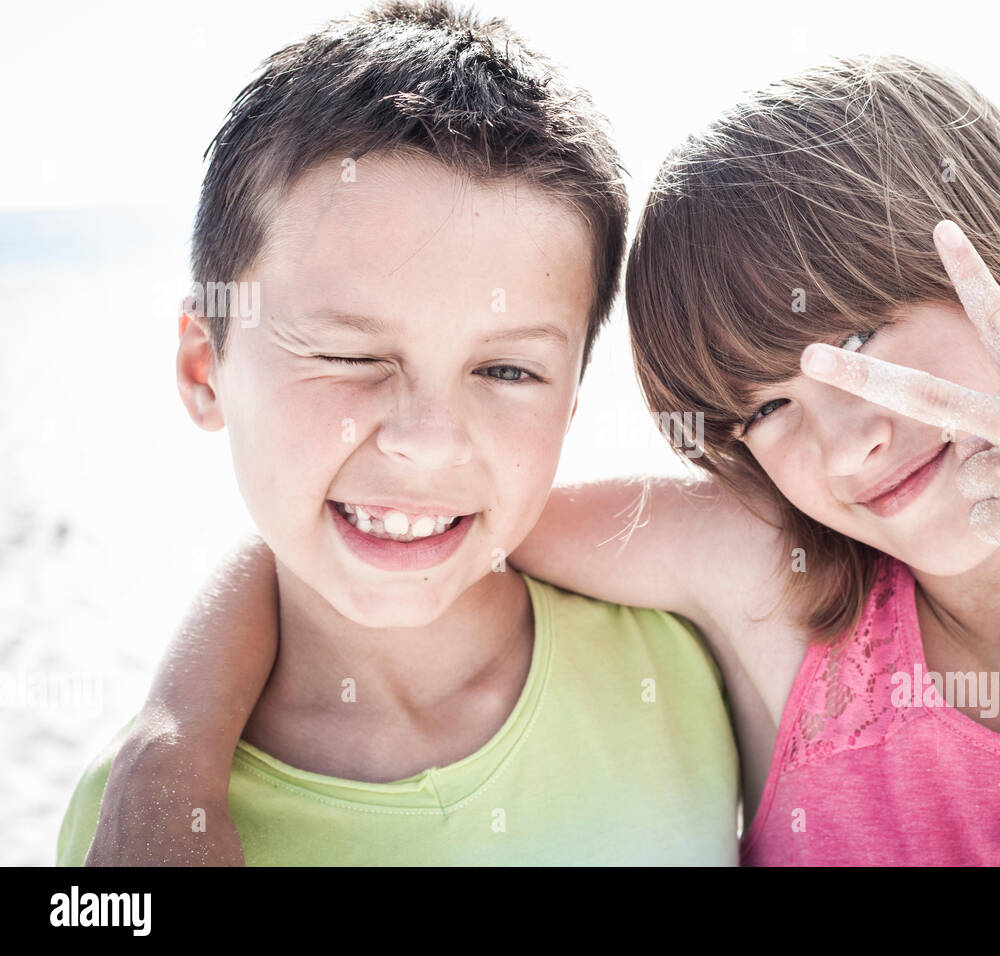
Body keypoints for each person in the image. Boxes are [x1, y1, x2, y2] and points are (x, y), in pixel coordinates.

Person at [84, 55, 1000, 865]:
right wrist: (169, 743)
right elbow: (412, 514)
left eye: (861, 341)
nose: (847, 436)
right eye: (764, 404)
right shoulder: (768, 582)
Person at [56, 0, 742, 866]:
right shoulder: (137, 828)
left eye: (507, 371)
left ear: (572, 400)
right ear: (205, 367)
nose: (428, 441)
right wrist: (170, 747)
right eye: (348, 355)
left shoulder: (693, 655)